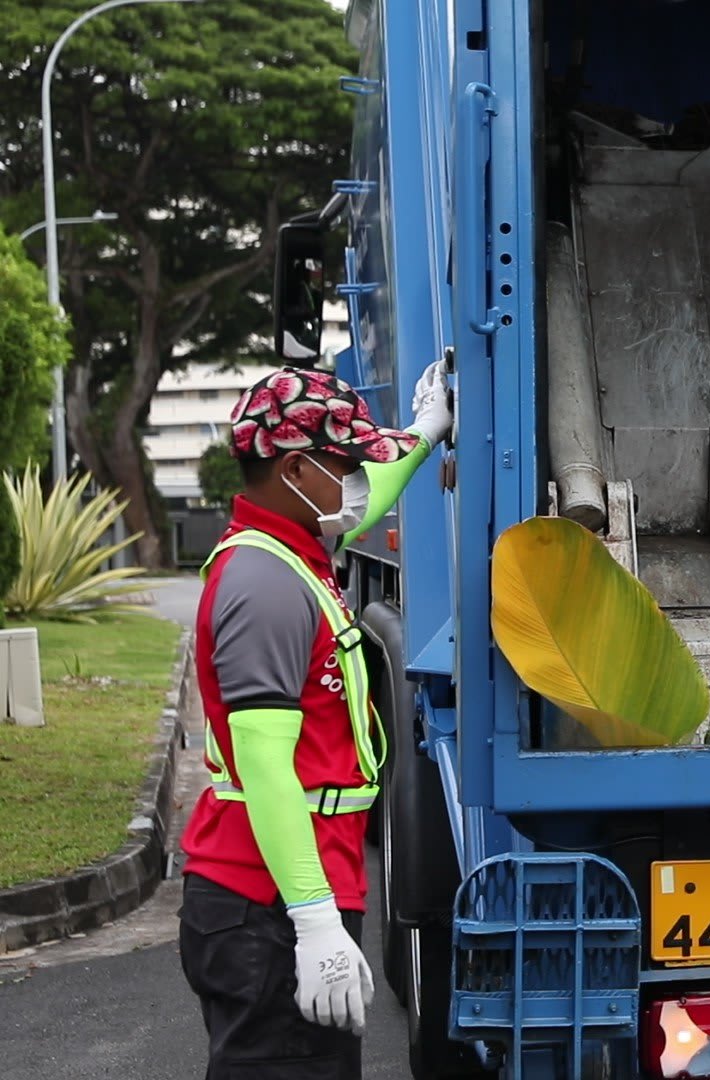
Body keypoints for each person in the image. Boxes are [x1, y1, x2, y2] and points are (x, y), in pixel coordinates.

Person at [178, 361, 453, 1079]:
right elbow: (266, 768)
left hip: (285, 892)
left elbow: (369, 496)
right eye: (345, 464)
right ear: (296, 469)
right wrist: (314, 921)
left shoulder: (295, 545)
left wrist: (425, 431)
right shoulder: (264, 586)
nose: (358, 480)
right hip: (266, 907)